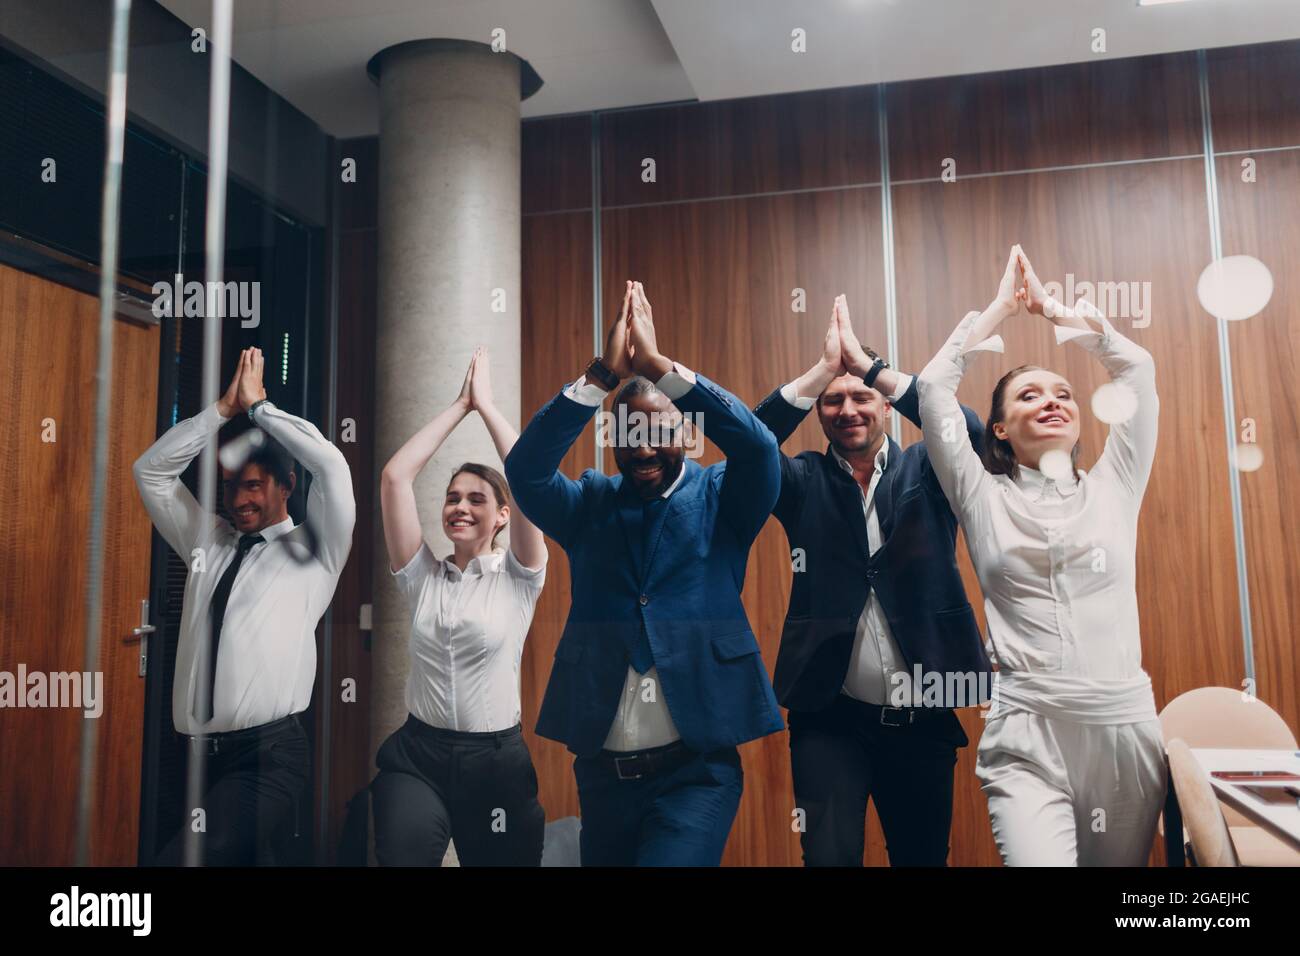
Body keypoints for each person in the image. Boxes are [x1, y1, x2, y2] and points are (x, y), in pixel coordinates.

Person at [504, 281, 783, 866]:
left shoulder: (723, 497)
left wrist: (662, 368)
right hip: (604, 777)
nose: (645, 449)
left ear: (684, 432)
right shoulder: (590, 504)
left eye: (659, 431)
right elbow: (525, 472)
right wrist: (599, 378)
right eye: (631, 435)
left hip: (696, 775)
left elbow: (758, 449)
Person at [916, 246, 1165, 866]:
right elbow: (933, 389)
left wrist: (1057, 313)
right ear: (998, 428)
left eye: (1064, 394)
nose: (1052, 401)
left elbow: (1136, 370)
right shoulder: (980, 495)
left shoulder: (1117, 484)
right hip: (1025, 733)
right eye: (1029, 395)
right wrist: (1000, 310)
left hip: (1122, 730)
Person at [753, 295, 991, 866]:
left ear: (886, 407)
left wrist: (868, 365)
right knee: (829, 859)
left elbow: (970, 429)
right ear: (819, 412)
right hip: (829, 718)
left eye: (861, 396)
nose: (847, 408)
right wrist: (819, 373)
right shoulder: (801, 479)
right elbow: (749, 440)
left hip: (925, 714)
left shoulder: (930, 468)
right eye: (832, 401)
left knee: (922, 858)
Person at [133, 347, 355, 865]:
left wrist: (260, 410)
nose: (239, 500)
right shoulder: (207, 538)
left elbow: (333, 465)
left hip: (267, 758)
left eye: (253, 485)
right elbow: (151, 473)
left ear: (286, 486)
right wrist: (222, 411)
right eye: (231, 486)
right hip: (193, 760)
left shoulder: (314, 548)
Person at [372, 347, 548, 866]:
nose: (460, 507)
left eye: (476, 499)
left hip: (495, 761)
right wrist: (458, 406)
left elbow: (529, 477)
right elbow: (394, 478)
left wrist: (488, 408)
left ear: (501, 516)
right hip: (417, 756)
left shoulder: (519, 576)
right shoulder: (423, 576)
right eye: (452, 497)